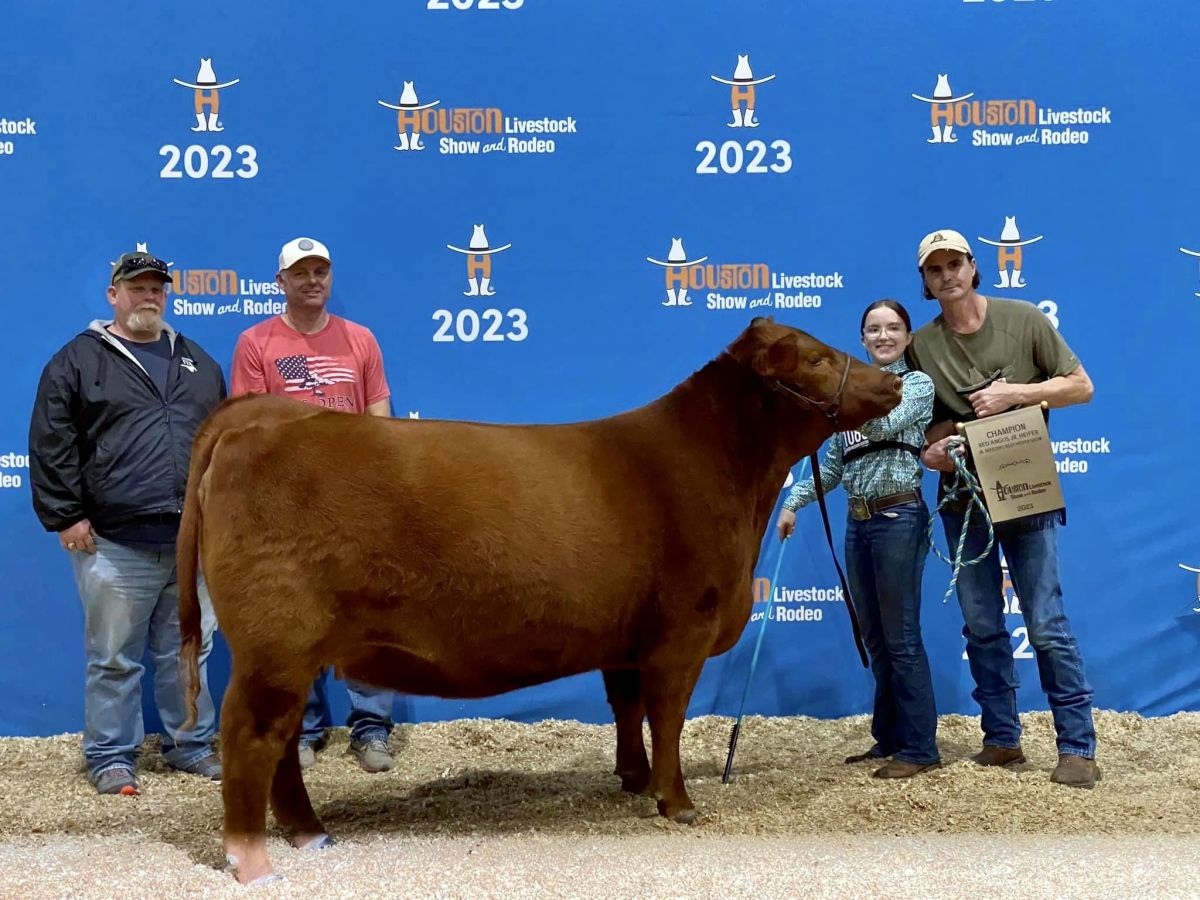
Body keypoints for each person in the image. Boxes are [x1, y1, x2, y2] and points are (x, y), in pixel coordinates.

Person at [908, 228, 1099, 788]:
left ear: (974, 267)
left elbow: (1081, 386)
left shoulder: (1024, 319)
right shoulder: (921, 346)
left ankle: (1077, 747)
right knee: (982, 623)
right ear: (925, 282)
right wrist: (934, 451)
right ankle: (1001, 738)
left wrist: (1016, 393)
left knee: (1045, 623)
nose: (946, 275)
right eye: (935, 269)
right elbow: (927, 425)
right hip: (962, 498)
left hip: (1026, 487)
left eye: (954, 264)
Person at [29, 249, 225, 796]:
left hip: (192, 541)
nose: (148, 296)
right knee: (114, 658)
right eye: (137, 287)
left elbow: (224, 445)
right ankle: (112, 755)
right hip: (115, 541)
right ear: (113, 295)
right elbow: (51, 441)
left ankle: (190, 745)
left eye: (157, 288)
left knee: (190, 652)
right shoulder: (78, 360)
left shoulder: (198, 361)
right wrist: (66, 515)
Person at [229, 236, 399, 773]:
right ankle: (302, 727)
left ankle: (371, 727)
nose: (311, 281)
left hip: (354, 502)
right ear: (280, 282)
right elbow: (251, 426)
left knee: (367, 614)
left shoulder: (361, 339)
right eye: (300, 273)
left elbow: (379, 418)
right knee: (295, 618)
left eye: (320, 271)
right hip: (290, 506)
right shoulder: (255, 342)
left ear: (330, 277)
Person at [777, 300, 940, 778]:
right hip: (859, 521)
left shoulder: (915, 385)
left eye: (893, 328)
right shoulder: (847, 402)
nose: (883, 336)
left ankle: (920, 748)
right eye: (874, 329)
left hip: (898, 516)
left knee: (901, 636)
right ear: (862, 339)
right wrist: (792, 503)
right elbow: (831, 468)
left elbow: (885, 424)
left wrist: (839, 404)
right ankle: (889, 738)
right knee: (876, 636)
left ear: (908, 337)